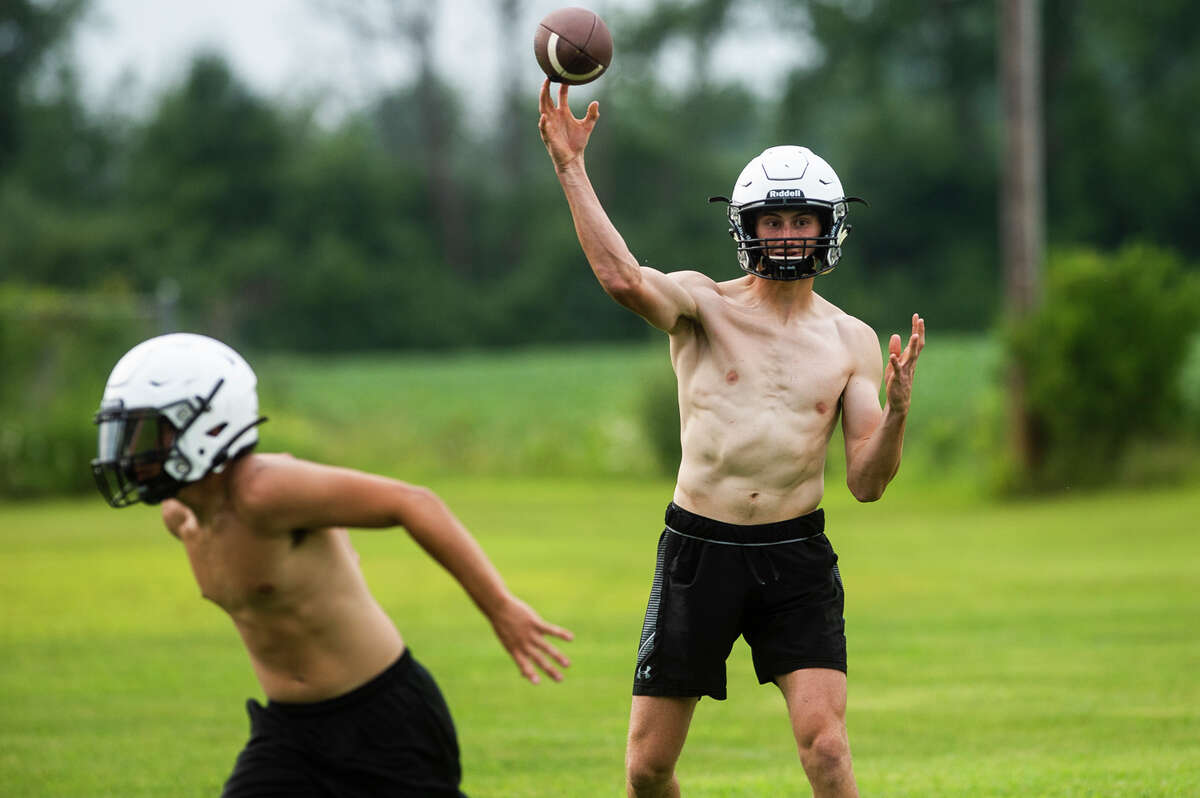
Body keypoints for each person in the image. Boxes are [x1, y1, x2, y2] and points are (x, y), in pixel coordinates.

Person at [538, 80, 925, 798]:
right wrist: (570, 167)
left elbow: (867, 483)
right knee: (647, 770)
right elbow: (623, 280)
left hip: (794, 558)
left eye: (799, 221)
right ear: (745, 226)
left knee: (828, 750)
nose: (784, 234)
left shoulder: (852, 340)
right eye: (770, 220)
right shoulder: (702, 305)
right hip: (699, 550)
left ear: (828, 228)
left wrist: (898, 412)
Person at [90, 332, 573, 798]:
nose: (133, 454)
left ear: (209, 425)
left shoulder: (264, 493)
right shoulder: (180, 518)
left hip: (384, 720)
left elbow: (414, 502)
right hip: (289, 733)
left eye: (150, 431)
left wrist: (500, 608)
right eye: (128, 433)